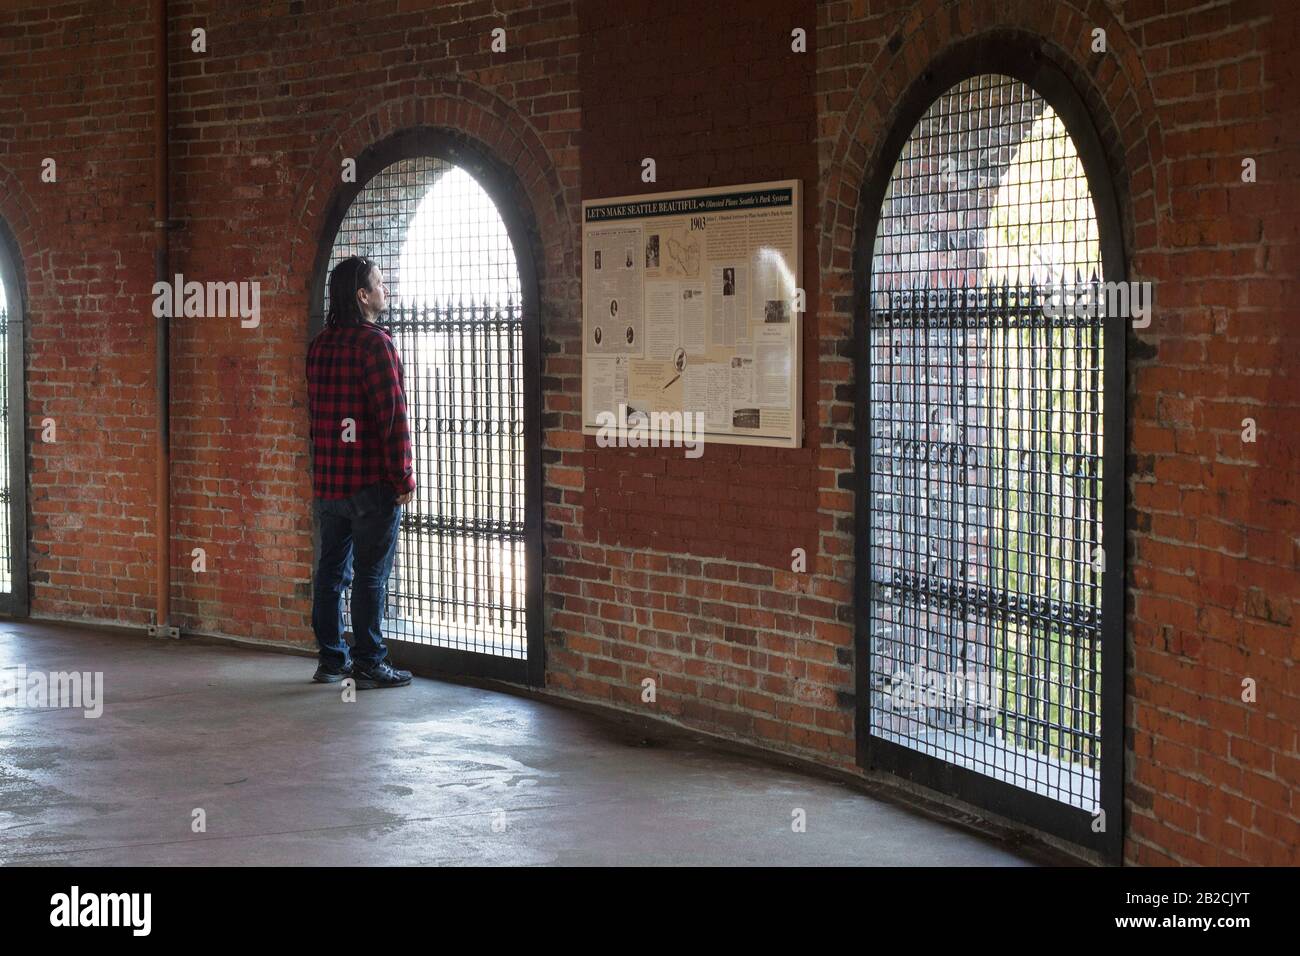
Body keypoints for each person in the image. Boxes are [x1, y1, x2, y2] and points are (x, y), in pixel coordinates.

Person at [305, 255, 414, 689]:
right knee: (371, 576)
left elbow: (318, 418)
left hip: (330, 485)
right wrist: (402, 477)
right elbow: (392, 418)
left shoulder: (320, 346)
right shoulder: (377, 345)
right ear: (362, 295)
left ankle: (331, 660)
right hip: (371, 485)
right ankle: (369, 661)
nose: (387, 290)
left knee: (330, 573)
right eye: (380, 284)